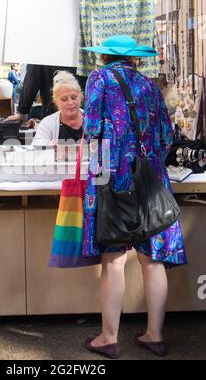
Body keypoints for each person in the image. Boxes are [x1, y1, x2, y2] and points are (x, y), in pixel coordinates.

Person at [82, 35, 187, 359]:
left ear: (103, 58)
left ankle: (109, 338)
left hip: (113, 178)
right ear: (134, 60)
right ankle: (155, 335)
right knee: (152, 260)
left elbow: (91, 130)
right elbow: (167, 136)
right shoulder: (150, 86)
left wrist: (101, 172)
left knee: (113, 261)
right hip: (151, 181)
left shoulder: (99, 79)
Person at [6, 64, 87, 122]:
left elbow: (31, 81)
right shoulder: (83, 43)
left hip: (53, 111)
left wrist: (22, 111)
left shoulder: (42, 48)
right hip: (82, 113)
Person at [32, 71, 83, 146]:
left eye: (74, 97)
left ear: (80, 97)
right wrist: (48, 150)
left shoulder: (93, 120)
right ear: (56, 102)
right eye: (64, 99)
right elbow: (36, 151)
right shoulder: (47, 124)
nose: (70, 103)